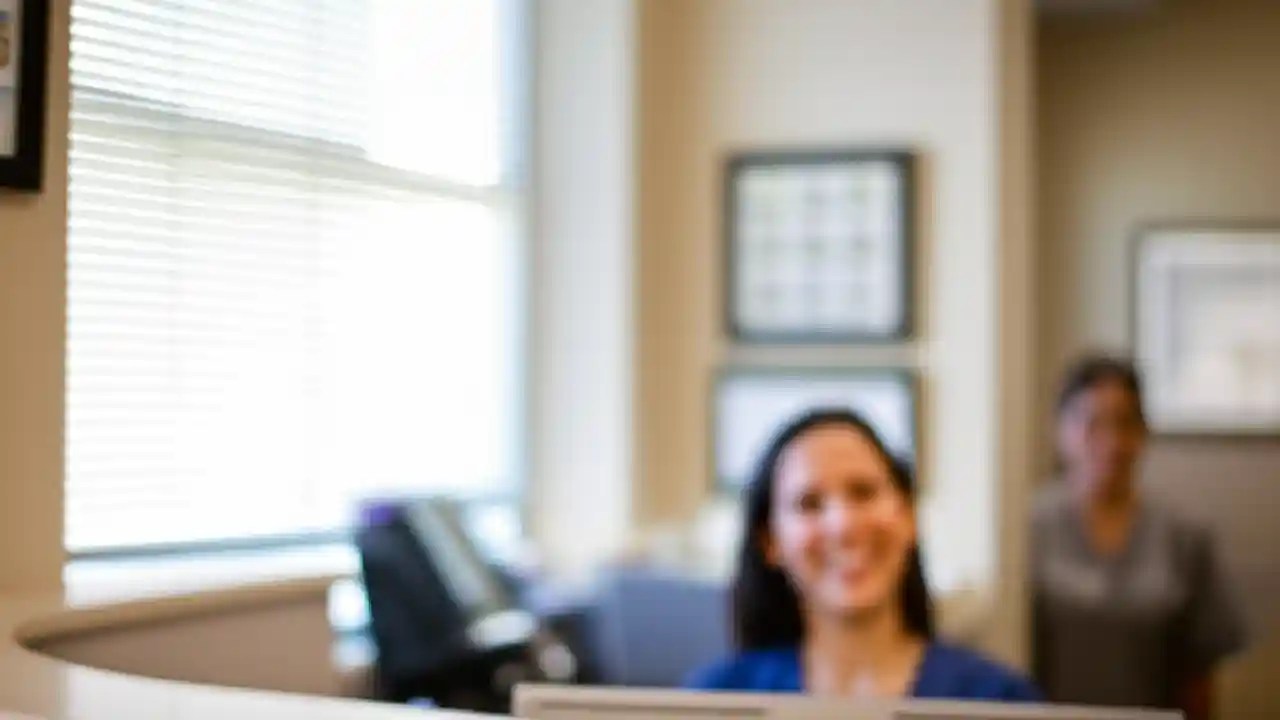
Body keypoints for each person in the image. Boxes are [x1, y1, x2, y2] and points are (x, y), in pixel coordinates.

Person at [687, 409, 1038, 700]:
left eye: (864, 492)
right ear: (770, 543)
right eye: (809, 503)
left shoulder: (997, 698)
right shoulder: (719, 699)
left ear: (908, 515)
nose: (843, 525)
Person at [1033, 355, 1247, 718]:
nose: (1112, 443)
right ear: (1062, 431)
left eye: (1125, 424)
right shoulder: (1028, 530)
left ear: (1143, 433)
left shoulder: (1184, 535)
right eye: (1092, 424)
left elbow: (1199, 673)